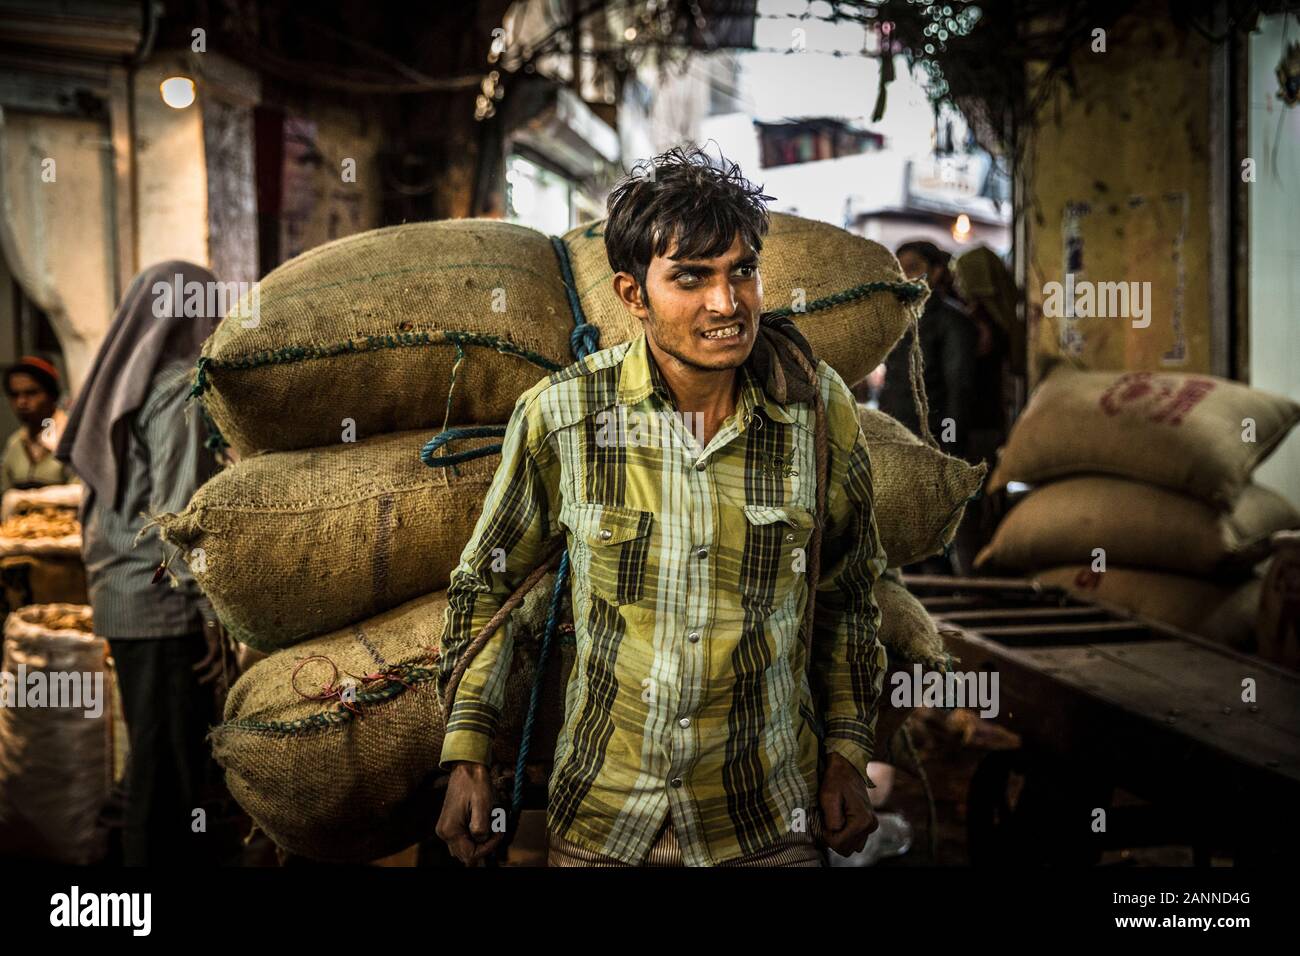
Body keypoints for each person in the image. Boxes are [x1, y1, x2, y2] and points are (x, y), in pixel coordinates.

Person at [435, 146, 889, 867]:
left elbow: (851, 595)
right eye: (691, 278)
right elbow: (487, 590)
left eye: (743, 270)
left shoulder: (817, 413)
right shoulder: (565, 417)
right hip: (603, 822)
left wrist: (846, 754)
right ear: (632, 295)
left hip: (767, 819)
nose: (726, 302)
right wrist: (468, 756)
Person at [55, 260, 239, 866]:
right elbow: (177, 518)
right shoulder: (181, 388)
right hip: (163, 610)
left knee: (151, 763)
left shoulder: (127, 382)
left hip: (123, 598)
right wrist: (210, 611)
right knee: (170, 783)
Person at [877, 240, 979, 461]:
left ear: (936, 272)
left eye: (913, 268)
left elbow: (958, 391)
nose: (904, 276)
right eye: (898, 269)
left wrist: (949, 444)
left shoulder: (953, 323)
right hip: (897, 437)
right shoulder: (900, 319)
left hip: (931, 441)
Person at [1, 355, 77, 494]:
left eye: (31, 393)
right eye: (14, 395)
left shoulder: (70, 438)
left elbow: (82, 494)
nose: (21, 402)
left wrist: (27, 500)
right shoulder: (15, 444)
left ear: (51, 395)